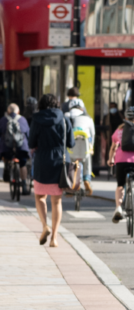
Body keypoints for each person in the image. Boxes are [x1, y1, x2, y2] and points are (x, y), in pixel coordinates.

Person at [27, 94, 74, 247]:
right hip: (60, 161)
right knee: (56, 201)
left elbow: (31, 142)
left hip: (42, 161)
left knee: (40, 197)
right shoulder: (64, 119)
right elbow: (71, 143)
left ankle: (44, 226)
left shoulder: (36, 119)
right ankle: (54, 238)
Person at [65, 107, 95, 197]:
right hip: (85, 142)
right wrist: (91, 147)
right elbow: (92, 134)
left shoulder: (72, 119)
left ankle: (72, 182)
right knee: (87, 159)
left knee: (71, 162)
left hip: (73, 144)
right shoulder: (89, 119)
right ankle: (86, 179)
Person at [1, 104, 31, 192]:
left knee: (5, 155)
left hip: (7, 148)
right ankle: (24, 186)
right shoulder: (23, 119)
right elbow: (28, 134)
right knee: (23, 164)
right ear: (18, 112)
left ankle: (7, 167)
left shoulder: (3, 120)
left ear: (8, 112)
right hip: (21, 147)